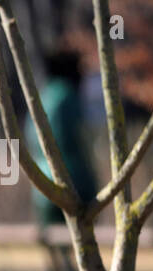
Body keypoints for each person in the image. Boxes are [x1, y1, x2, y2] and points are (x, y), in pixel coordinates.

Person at [25, 48, 99, 227]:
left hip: (43, 186)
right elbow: (79, 138)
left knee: (56, 245)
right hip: (74, 182)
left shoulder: (43, 96)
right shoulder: (67, 96)